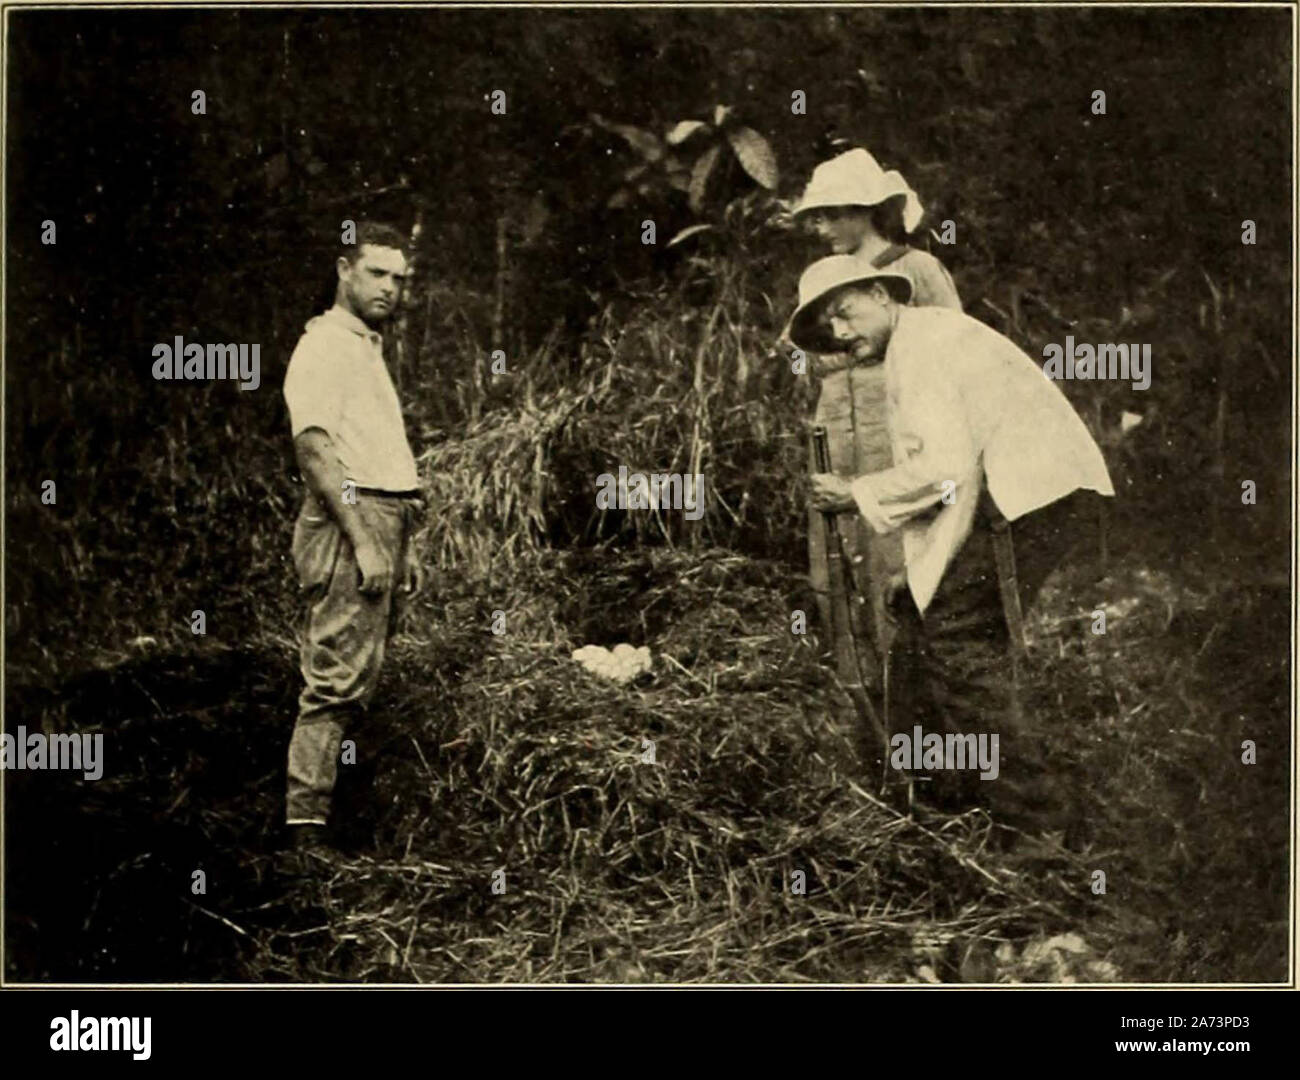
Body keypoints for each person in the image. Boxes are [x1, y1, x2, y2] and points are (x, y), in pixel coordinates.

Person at [791, 255, 1115, 841]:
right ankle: (939, 794)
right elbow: (957, 482)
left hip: (1036, 491)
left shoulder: (923, 349)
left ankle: (1038, 823)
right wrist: (920, 576)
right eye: (826, 329)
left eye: (845, 312)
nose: (839, 332)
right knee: (920, 619)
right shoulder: (911, 349)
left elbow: (943, 471)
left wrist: (854, 490)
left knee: (961, 641)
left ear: (881, 293)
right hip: (1009, 494)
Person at [789, 148, 962, 742]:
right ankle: (862, 719)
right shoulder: (823, 282)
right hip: (838, 433)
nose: (825, 228)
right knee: (839, 565)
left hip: (898, 436)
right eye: (818, 219)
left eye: (835, 215)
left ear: (867, 211)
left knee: (896, 562)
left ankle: (922, 720)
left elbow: (950, 351)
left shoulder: (915, 269)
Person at [282, 221, 425, 852]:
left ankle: (345, 818)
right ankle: (305, 837)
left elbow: (380, 459)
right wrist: (366, 539)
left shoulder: (364, 347)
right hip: (351, 519)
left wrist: (399, 541)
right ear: (344, 270)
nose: (391, 289)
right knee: (335, 681)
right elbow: (315, 450)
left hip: (381, 516)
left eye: (401, 279)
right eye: (377, 273)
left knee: (361, 678)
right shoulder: (326, 347)